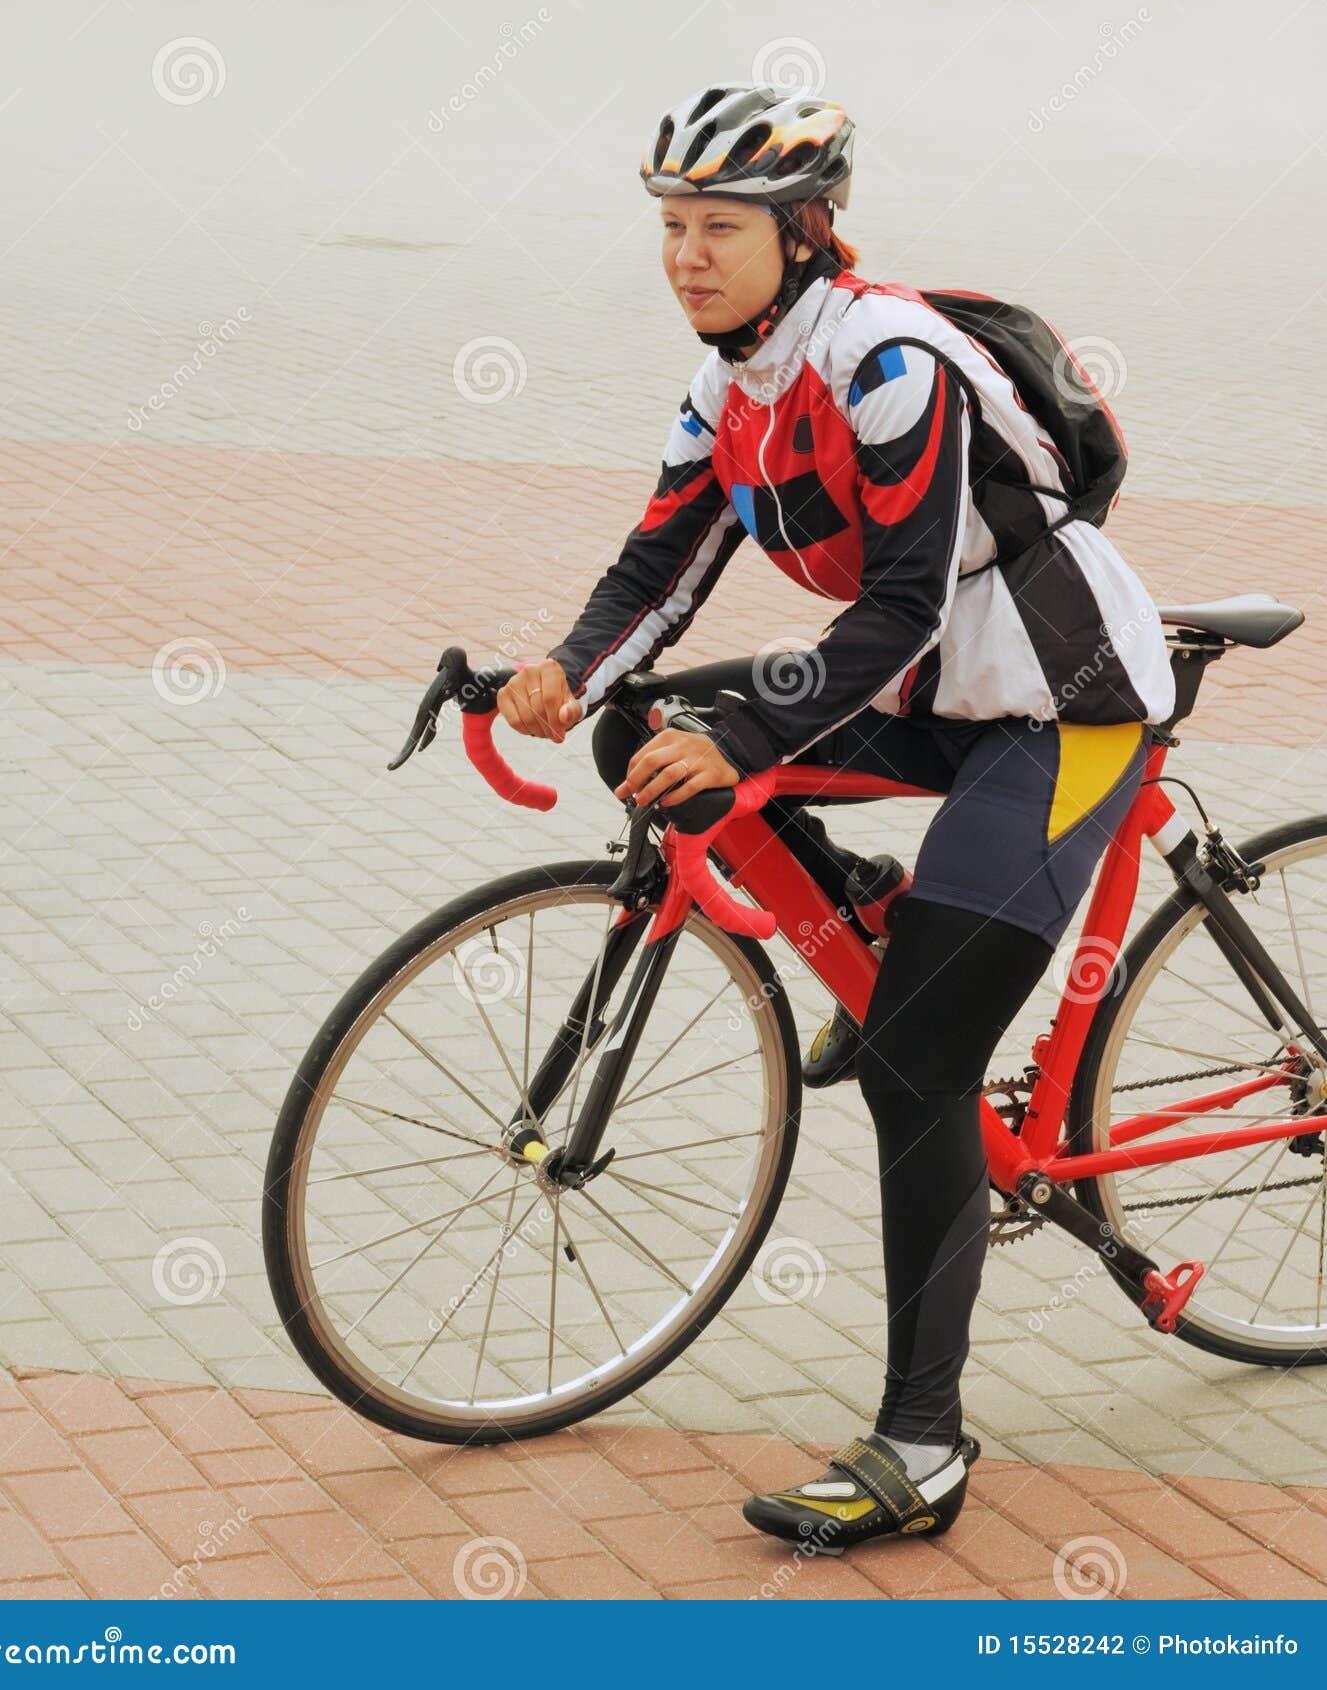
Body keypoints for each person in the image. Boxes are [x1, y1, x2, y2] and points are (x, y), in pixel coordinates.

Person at [497, 82, 1175, 1552]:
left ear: (807, 233)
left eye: (719, 227)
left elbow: (901, 601)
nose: (686, 253)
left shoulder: (887, 361)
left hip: (1059, 699)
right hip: (932, 683)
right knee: (642, 720)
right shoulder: (731, 382)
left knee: (916, 1053)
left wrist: (743, 735)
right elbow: (657, 572)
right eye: (671, 225)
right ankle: (867, 900)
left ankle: (922, 1446)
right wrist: (561, 669)